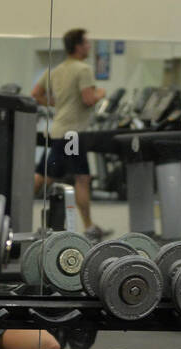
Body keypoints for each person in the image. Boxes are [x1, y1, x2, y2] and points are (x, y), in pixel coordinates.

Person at [32, 28, 111, 242]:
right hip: (73, 134)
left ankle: (13, 211)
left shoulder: (56, 70)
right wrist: (100, 94)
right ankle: (89, 227)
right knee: (81, 178)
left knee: (45, 175)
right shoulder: (83, 69)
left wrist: (59, 105)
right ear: (77, 46)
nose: (89, 46)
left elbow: (35, 94)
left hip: (60, 129)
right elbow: (88, 99)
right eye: (86, 43)